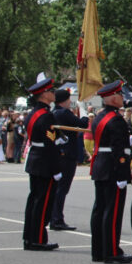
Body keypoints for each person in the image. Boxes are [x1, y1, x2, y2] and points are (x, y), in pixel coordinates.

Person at [88, 80, 132, 263]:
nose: (123, 98)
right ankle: (112, 251)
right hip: (113, 168)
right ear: (114, 98)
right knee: (112, 211)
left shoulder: (100, 117)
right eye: (120, 95)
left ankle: (98, 250)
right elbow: (119, 150)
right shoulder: (116, 120)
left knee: (100, 210)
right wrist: (123, 173)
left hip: (101, 165)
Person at [21, 78, 61, 251]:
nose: (53, 93)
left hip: (35, 159)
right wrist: (56, 168)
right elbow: (50, 144)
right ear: (44, 94)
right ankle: (38, 239)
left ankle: (30, 237)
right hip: (45, 162)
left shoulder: (33, 114)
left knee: (34, 201)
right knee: (43, 202)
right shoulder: (46, 116)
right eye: (51, 91)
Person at [50, 89, 89, 231]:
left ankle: (54, 217)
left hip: (59, 153)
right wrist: (82, 109)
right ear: (65, 100)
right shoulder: (63, 113)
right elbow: (83, 123)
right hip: (67, 154)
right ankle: (57, 219)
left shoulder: (54, 112)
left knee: (58, 188)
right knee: (62, 188)